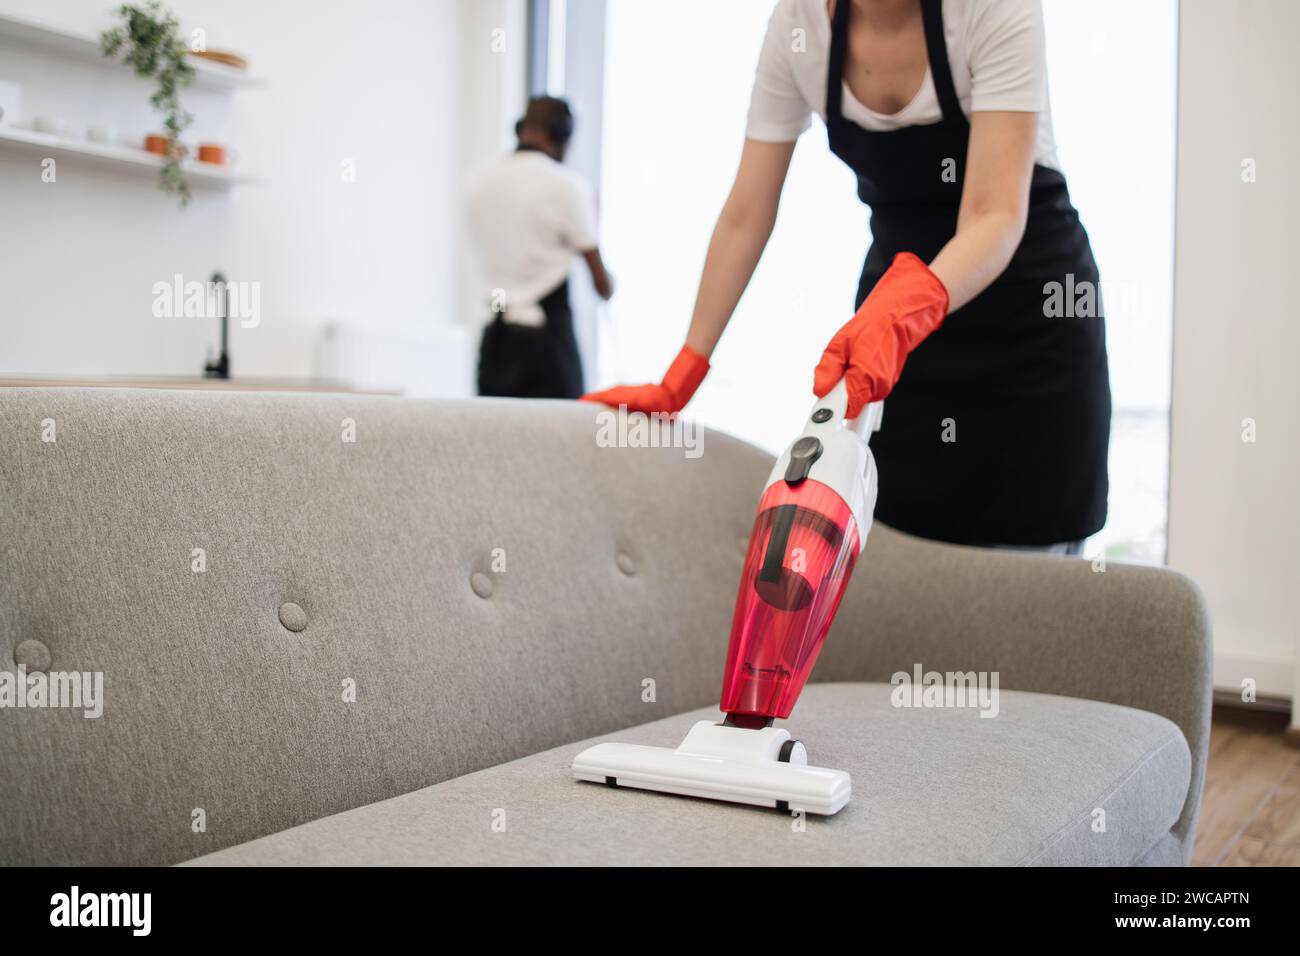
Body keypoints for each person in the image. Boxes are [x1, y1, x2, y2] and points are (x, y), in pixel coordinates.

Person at [584, 0, 1110, 553]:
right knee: (893, 563)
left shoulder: (992, 9)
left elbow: (994, 215)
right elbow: (746, 214)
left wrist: (906, 310)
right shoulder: (797, 27)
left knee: (1030, 592)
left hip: (1027, 326)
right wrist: (685, 371)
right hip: (895, 348)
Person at [467, 96, 614, 398]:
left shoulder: (478, 180)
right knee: (561, 442)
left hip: (494, 344)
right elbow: (603, 286)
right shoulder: (566, 185)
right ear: (560, 135)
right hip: (546, 347)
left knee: (492, 441)